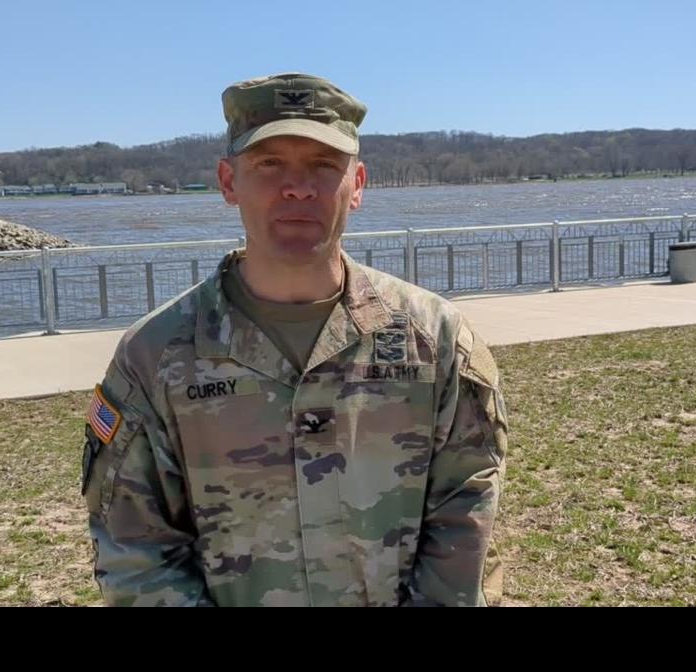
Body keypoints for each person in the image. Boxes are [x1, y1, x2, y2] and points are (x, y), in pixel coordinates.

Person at [82, 72, 507, 606]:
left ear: (357, 186)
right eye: (269, 164)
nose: (298, 186)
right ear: (227, 181)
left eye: (324, 166)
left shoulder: (436, 341)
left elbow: (465, 514)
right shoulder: (156, 355)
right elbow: (134, 548)